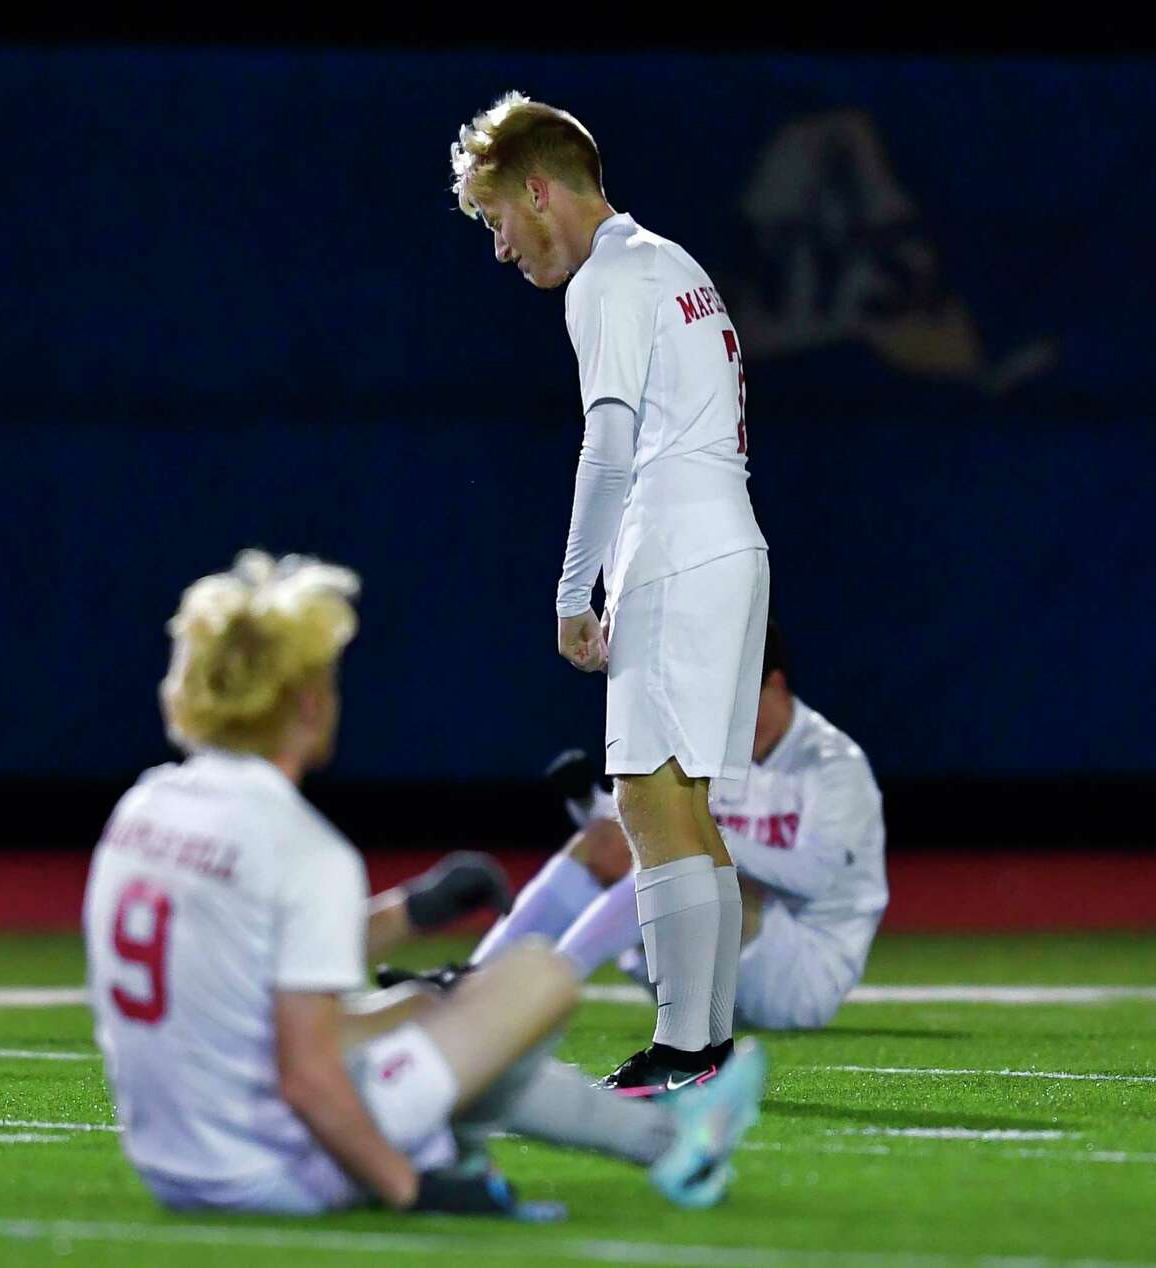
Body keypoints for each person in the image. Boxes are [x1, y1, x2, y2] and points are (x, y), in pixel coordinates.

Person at [83, 550, 764, 1218]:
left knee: (422, 1006)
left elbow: (249, 942)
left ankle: (670, 1146)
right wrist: (411, 1188)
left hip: (173, 1158)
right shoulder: (299, 846)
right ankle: (457, 1158)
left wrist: (411, 911)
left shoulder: (142, 810)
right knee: (536, 976)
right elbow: (307, 1076)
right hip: (276, 1167)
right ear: (308, 702)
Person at [452, 94, 770, 1095]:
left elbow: (609, 444)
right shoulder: (673, 262)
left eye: (499, 218)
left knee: (644, 793)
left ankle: (683, 1046)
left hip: (675, 543)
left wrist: (571, 586)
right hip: (732, 537)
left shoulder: (605, 279)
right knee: (686, 803)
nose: (502, 249)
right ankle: (708, 1040)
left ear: (540, 191)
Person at [392, 622, 888, 1035]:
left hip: (799, 973)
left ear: (776, 685)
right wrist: (588, 803)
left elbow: (814, 879)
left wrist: (700, 837)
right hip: (702, 962)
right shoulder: (719, 746)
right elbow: (638, 830)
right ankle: (474, 980)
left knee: (675, 859)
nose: (728, 718)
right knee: (611, 843)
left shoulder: (833, 764)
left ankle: (528, 994)